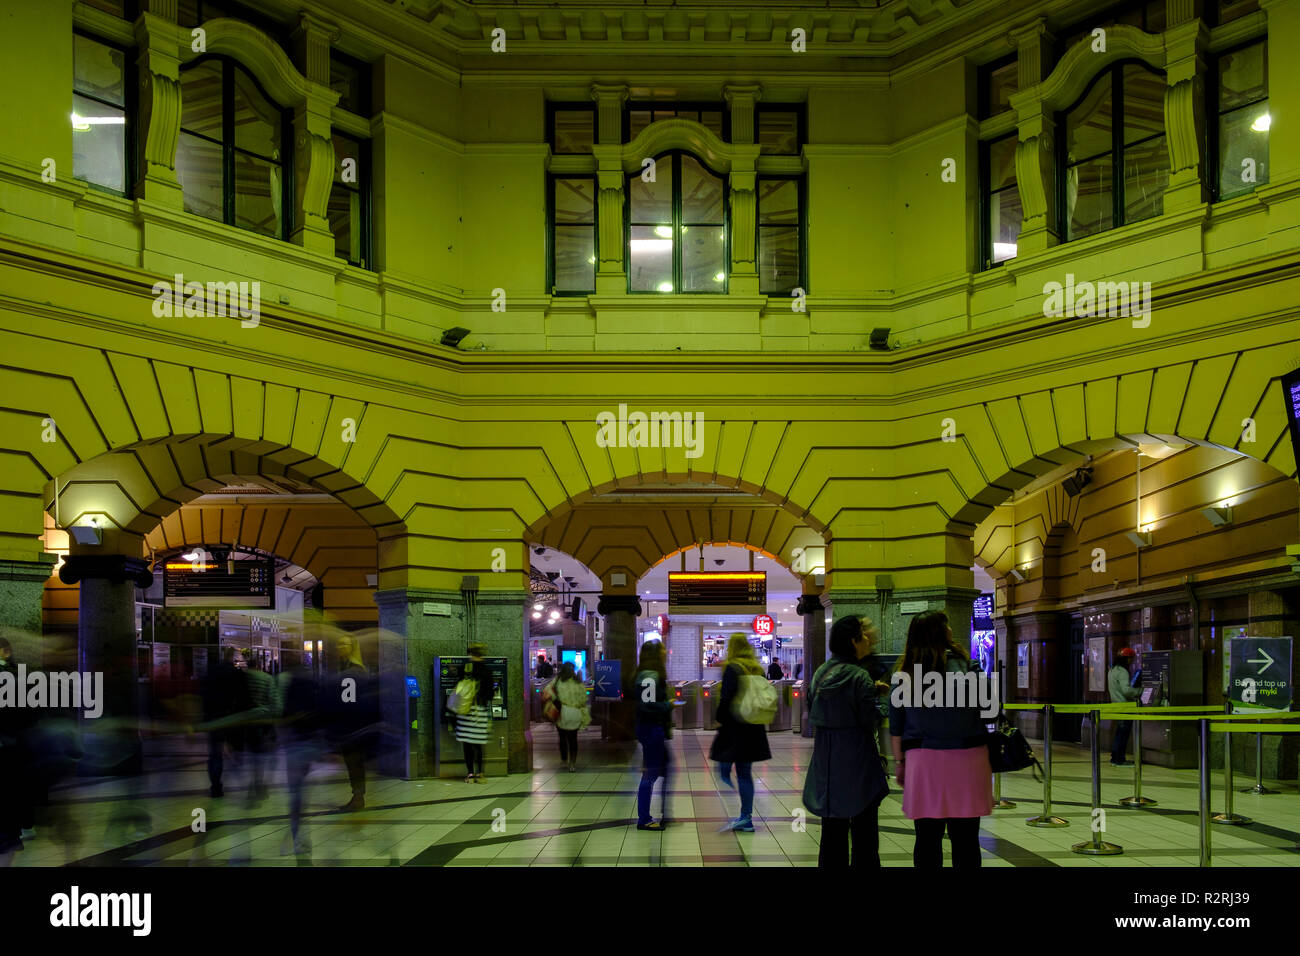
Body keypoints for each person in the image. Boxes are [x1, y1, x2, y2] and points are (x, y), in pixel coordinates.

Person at [890, 610, 994, 868]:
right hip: (969, 759)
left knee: (926, 839)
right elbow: (990, 711)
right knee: (967, 840)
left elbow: (896, 727)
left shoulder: (905, 675)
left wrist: (900, 763)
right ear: (945, 632)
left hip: (923, 762)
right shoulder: (970, 668)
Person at [802, 617, 889, 866]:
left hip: (827, 760)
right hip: (858, 759)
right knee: (865, 832)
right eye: (863, 636)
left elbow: (813, 707)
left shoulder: (821, 672)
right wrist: (878, 698)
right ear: (853, 641)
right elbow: (870, 720)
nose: (867, 641)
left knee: (832, 830)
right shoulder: (860, 677)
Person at [711, 634, 772, 832]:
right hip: (753, 727)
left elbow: (726, 697)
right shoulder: (758, 669)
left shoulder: (732, 668)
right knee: (745, 773)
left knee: (723, 763)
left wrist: (719, 716)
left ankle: (727, 778)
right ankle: (746, 817)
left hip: (735, 727)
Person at [201, 646, 251, 799]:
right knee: (236, 750)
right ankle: (242, 781)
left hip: (214, 718)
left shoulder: (211, 673)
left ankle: (216, 785)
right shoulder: (237, 674)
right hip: (232, 717)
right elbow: (244, 697)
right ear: (233, 658)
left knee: (215, 752)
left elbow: (204, 695)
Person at [633, 641, 672, 830]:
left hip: (649, 728)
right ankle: (644, 819)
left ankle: (663, 814)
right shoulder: (650, 676)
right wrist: (668, 705)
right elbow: (648, 705)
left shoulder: (644, 674)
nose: (666, 653)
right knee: (650, 773)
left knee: (663, 770)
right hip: (651, 728)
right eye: (663, 650)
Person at [242, 650, 281, 805]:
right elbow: (275, 703)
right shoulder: (267, 679)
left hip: (245, 723)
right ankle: (258, 785)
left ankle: (255, 784)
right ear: (258, 664)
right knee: (262, 756)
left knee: (252, 757)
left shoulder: (242, 680)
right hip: (263, 723)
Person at [454, 643, 493, 783]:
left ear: (470, 653)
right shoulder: (486, 670)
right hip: (479, 710)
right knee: (478, 744)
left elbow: (457, 689)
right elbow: (490, 694)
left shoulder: (464, 668)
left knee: (467, 744)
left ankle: (470, 774)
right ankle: (480, 773)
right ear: (481, 653)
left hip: (465, 710)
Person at [546, 661, 590, 772]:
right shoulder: (578, 683)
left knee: (562, 738)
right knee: (573, 739)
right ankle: (572, 763)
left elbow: (547, 692)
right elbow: (583, 699)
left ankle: (564, 760)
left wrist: (554, 701)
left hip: (562, 712)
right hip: (575, 713)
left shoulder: (557, 681)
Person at [1109, 648, 1141, 766]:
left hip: (1116, 705)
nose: (1132, 661)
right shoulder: (1122, 671)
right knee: (1123, 733)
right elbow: (1126, 690)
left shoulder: (1112, 670)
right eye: (1131, 659)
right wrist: (1140, 691)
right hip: (1125, 706)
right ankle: (1119, 759)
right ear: (1127, 658)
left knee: (1119, 732)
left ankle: (1115, 757)